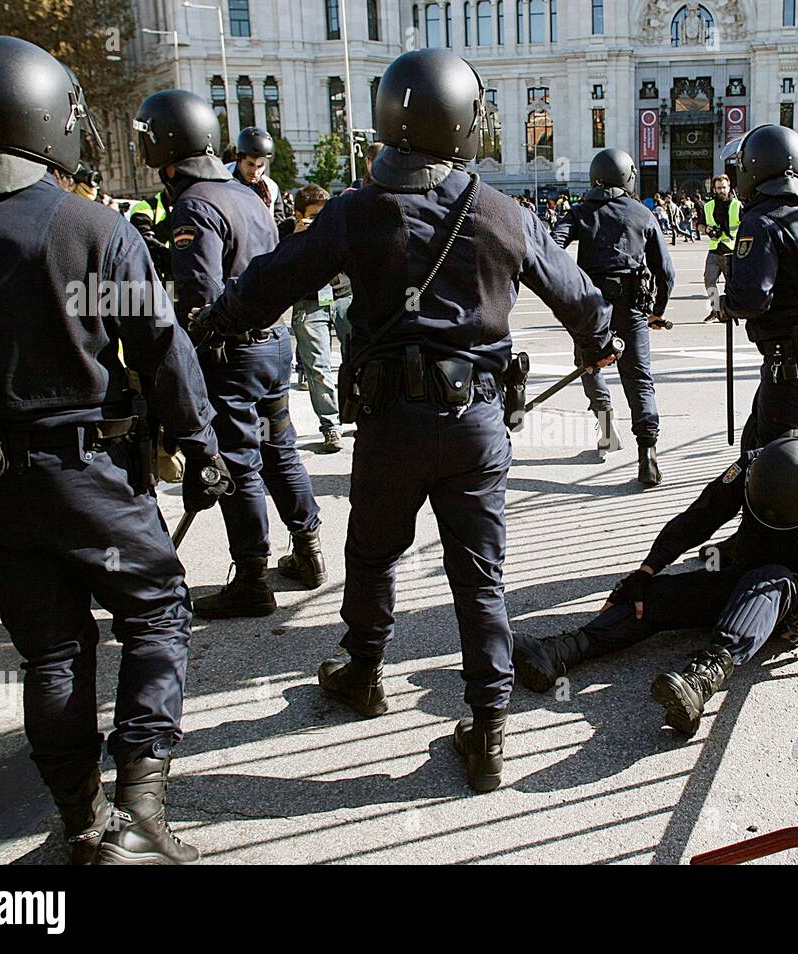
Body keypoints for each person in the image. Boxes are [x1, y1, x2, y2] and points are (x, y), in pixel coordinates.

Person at [187, 48, 619, 793]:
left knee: (374, 554)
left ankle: (363, 671)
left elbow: (274, 279)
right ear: (462, 123)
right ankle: (487, 730)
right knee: (480, 578)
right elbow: (581, 298)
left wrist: (216, 324)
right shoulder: (504, 213)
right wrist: (600, 341)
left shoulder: (357, 210)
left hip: (391, 424)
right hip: (476, 423)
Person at [0, 36, 233, 864]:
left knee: (51, 652)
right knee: (159, 610)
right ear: (47, 115)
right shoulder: (96, 228)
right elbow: (163, 352)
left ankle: (83, 822)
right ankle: (140, 807)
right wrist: (201, 449)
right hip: (87, 473)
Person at [512, 431, 798, 734]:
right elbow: (696, 521)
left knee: (769, 578)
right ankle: (566, 649)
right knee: (657, 595)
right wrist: (645, 572)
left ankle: (702, 678)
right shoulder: (752, 467)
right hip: (741, 578)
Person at [134, 89, 326, 618]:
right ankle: (309, 551)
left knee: (240, 463)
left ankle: (252, 579)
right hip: (274, 346)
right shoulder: (247, 195)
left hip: (232, 354)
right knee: (280, 449)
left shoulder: (194, 205)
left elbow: (201, 302)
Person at [720, 125, 798, 450]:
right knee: (755, 445)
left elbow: (751, 299)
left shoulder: (760, 221)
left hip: (793, 359)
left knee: (781, 465)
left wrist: (727, 302)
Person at [553, 148, 675, 484]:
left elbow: (552, 247)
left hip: (591, 306)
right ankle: (647, 454)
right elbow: (665, 271)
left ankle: (606, 426)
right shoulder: (641, 213)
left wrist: (571, 290)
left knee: (590, 365)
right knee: (638, 379)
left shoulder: (579, 212)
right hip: (633, 306)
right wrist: (657, 310)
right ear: (627, 176)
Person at [287, 184, 345, 452]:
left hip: (343, 296)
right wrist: (298, 239)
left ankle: (358, 413)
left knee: (359, 357)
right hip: (309, 302)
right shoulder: (288, 233)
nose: (319, 222)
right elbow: (278, 269)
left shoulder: (339, 224)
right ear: (299, 214)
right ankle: (330, 425)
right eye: (313, 216)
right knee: (318, 367)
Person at [227, 125, 287, 223]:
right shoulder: (220, 179)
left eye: (260, 166)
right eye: (250, 164)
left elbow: (277, 222)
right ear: (239, 159)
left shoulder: (271, 188)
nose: (255, 172)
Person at [702, 174, 742, 309]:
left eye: (724, 187)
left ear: (729, 187)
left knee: (732, 283)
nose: (721, 191)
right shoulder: (708, 206)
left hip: (731, 250)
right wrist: (707, 230)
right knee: (709, 281)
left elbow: (746, 225)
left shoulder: (737, 205)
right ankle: (716, 309)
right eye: (718, 188)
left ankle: (731, 308)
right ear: (714, 189)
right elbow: (700, 225)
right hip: (714, 249)